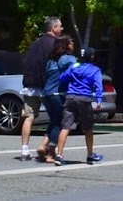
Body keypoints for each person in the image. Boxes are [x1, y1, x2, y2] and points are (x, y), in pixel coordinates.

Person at [19, 16, 64, 161]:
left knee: (29, 117)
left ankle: (24, 150)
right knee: (56, 118)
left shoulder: (35, 43)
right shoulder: (55, 44)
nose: (62, 29)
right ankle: (46, 146)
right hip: (46, 86)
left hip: (30, 84)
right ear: (53, 28)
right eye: (60, 26)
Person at [52, 47, 105, 165]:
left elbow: (62, 78)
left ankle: (59, 155)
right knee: (88, 128)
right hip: (84, 99)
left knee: (65, 126)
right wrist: (99, 99)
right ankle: (90, 154)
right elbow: (98, 85)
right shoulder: (95, 70)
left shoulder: (74, 66)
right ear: (91, 57)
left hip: (70, 97)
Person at [38, 36, 77, 164]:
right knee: (58, 123)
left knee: (53, 120)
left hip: (46, 94)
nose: (73, 43)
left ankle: (43, 145)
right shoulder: (68, 59)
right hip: (57, 94)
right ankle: (51, 153)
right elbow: (76, 71)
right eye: (71, 42)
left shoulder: (51, 60)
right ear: (66, 45)